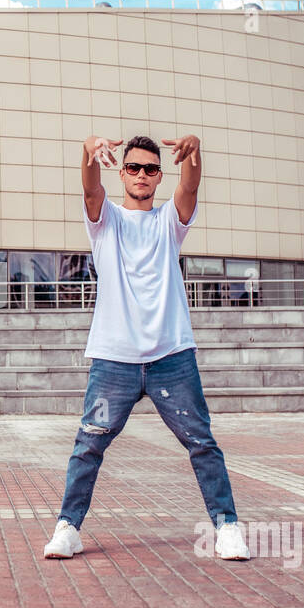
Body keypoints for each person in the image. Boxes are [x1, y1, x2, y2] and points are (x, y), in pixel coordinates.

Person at [44, 134, 251, 561]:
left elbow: (190, 188)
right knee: (89, 443)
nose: (142, 175)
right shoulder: (106, 221)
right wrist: (87, 151)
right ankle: (68, 527)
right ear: (121, 173)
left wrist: (195, 154)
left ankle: (227, 527)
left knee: (202, 443)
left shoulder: (168, 222)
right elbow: (89, 188)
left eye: (151, 169)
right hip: (114, 361)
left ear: (159, 177)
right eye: (134, 168)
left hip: (171, 357)